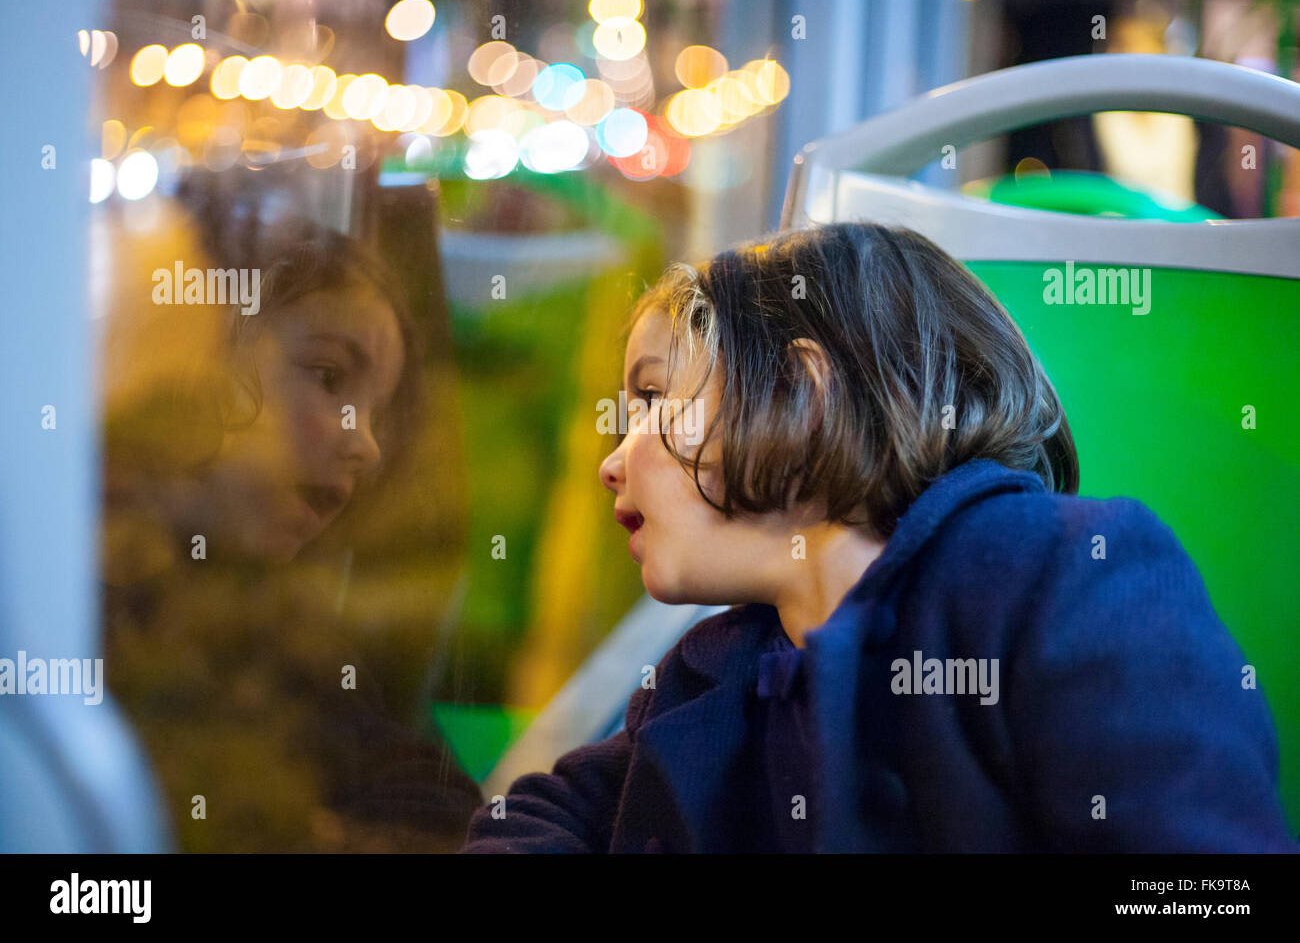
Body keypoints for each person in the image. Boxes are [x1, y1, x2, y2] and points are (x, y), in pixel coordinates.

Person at [460, 221, 1296, 853]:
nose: (613, 461)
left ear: (800, 395)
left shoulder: (1065, 575)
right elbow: (536, 819)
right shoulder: (714, 672)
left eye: (653, 401)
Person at [101, 221, 482, 851]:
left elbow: (428, 792)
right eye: (330, 377)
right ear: (207, 363)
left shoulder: (281, 629)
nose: (368, 446)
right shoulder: (82, 606)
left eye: (383, 415)